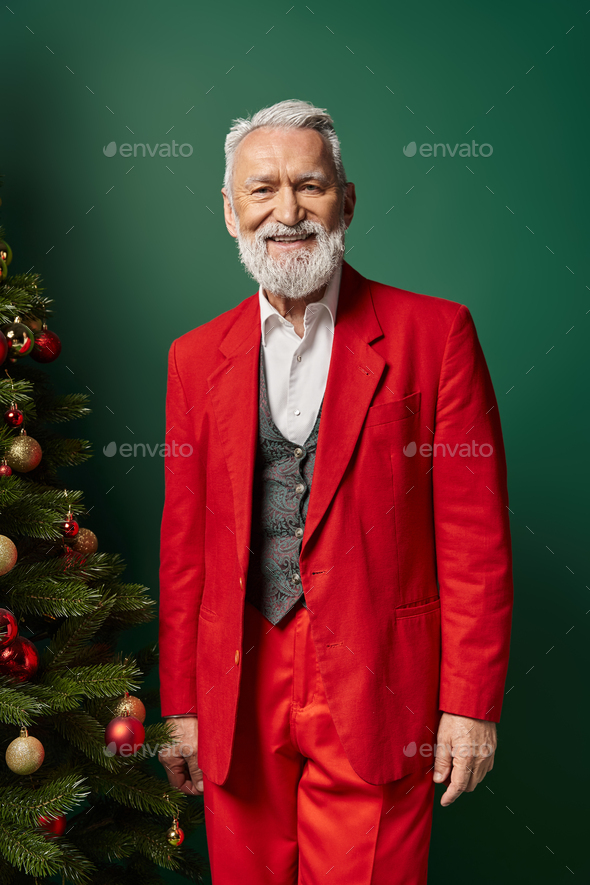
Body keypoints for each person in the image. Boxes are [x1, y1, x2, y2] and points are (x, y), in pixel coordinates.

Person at [158, 99, 513, 884]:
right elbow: (184, 548)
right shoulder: (192, 358)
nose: (287, 211)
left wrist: (471, 703)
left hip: (380, 677)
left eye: (310, 187)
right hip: (238, 680)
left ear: (346, 200)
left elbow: (474, 536)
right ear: (229, 212)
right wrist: (181, 705)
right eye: (262, 191)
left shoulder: (437, 334)